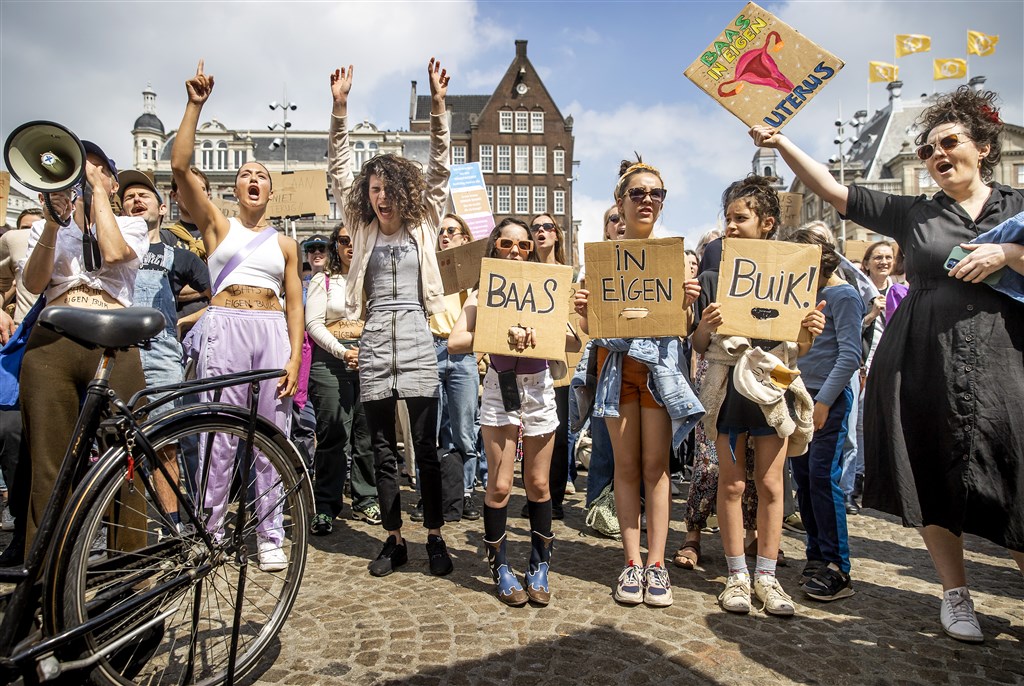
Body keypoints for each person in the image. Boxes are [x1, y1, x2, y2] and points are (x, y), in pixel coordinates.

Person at [750, 85, 1024, 642]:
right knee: (933, 469)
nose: (937, 154)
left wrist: (1012, 252)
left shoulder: (1018, 207)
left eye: (949, 143)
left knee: (1017, 474)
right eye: (926, 150)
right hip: (924, 359)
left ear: (983, 148)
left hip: (1007, 360)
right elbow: (833, 189)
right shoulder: (915, 211)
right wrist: (781, 143)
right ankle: (955, 594)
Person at [171, 60, 304, 573]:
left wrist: (294, 358)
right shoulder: (217, 226)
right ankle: (211, 528)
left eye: (262, 175)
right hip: (225, 325)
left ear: (270, 192)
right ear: (235, 187)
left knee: (272, 437)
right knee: (219, 435)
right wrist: (195, 106)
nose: (253, 178)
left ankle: (270, 533)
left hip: (271, 332)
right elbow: (180, 167)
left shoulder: (286, 244)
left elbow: (295, 303)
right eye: (246, 173)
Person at [328, 60, 455, 578]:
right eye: (374, 189)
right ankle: (394, 538)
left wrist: (439, 108)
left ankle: (435, 536)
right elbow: (338, 172)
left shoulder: (425, 224)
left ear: (404, 192)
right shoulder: (360, 228)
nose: (381, 197)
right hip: (377, 335)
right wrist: (339, 109)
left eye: (389, 189)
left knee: (425, 446)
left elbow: (441, 170)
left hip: (419, 335)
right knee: (381, 446)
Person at [574, 160, 704, 609]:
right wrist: (583, 309)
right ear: (621, 201)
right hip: (618, 371)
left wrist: (688, 305)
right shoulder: (600, 261)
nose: (647, 200)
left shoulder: (673, 257)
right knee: (625, 468)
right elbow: (590, 328)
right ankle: (631, 562)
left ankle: (657, 564)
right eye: (638, 193)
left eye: (656, 193)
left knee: (657, 469)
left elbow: (683, 328)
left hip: (659, 373)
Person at [692, 175, 825, 617]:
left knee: (771, 485)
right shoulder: (713, 277)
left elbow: (799, 348)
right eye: (727, 218)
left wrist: (808, 332)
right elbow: (698, 345)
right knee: (730, 484)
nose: (730, 226)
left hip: (772, 389)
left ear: (767, 223)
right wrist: (705, 326)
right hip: (729, 389)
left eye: (740, 218)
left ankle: (766, 576)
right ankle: (736, 575)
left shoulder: (792, 275)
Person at [20, 140, 150, 554]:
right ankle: (45, 573)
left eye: (99, 170)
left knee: (127, 456)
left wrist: (97, 194)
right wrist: (53, 225)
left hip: (114, 340)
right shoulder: (47, 227)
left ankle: (131, 570)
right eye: (82, 170)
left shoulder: (130, 224)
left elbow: (112, 253)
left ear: (113, 184)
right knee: (49, 464)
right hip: (54, 339)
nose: (89, 175)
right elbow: (33, 284)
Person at [448, 218, 581, 606]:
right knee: (501, 485)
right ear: (494, 247)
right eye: (507, 244)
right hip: (500, 387)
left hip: (538, 388)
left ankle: (539, 565)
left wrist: (546, 332)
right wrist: (497, 332)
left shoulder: (543, 288)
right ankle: (501, 567)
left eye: (524, 245)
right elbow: (456, 341)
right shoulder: (483, 291)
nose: (516, 251)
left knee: (538, 484)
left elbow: (574, 341)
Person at [119, 169, 210, 535]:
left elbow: (220, 293)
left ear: (162, 208)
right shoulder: (111, 251)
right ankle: (126, 528)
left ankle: (171, 524)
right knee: (116, 444)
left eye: (144, 195)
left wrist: (186, 322)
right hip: (117, 353)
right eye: (128, 197)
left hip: (160, 355)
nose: (135, 200)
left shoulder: (178, 256)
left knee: (165, 443)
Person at [786, 228, 863, 602]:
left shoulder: (844, 296)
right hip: (801, 396)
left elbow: (850, 356)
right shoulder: (804, 294)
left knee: (822, 477)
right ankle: (815, 555)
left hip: (826, 402)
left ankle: (837, 566)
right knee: (804, 478)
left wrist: (824, 402)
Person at [305, 223, 380, 533]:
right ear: (335, 245)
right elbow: (313, 323)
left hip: (369, 361)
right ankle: (326, 505)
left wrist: (368, 350)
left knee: (367, 435)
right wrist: (342, 351)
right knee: (333, 435)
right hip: (331, 362)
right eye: (344, 240)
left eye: (356, 239)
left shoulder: (374, 279)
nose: (350, 245)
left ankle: (365, 499)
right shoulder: (323, 280)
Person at [431, 213, 481, 521]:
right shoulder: (429, 267)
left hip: (463, 352)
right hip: (433, 347)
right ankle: (433, 493)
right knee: (432, 427)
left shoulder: (475, 273)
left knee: (464, 429)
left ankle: (466, 492)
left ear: (464, 237)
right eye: (441, 232)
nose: (445, 235)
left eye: (452, 230)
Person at [529, 212, 571, 520]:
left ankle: (553, 498)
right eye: (536, 228)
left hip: (559, 364)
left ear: (557, 234)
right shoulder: (524, 273)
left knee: (558, 433)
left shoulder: (569, 276)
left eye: (547, 226)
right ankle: (534, 494)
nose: (541, 231)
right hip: (528, 363)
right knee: (530, 432)